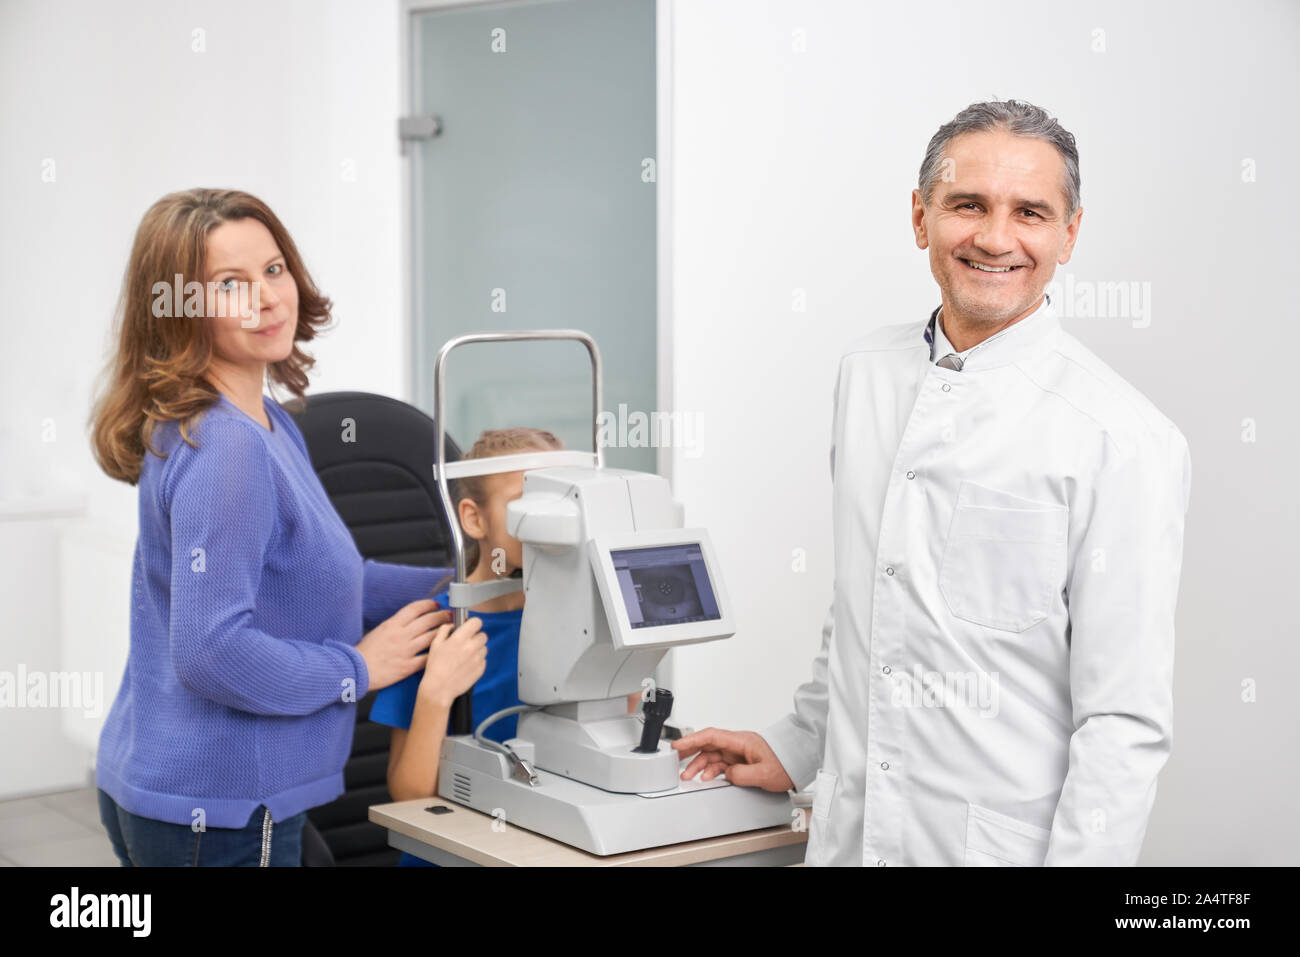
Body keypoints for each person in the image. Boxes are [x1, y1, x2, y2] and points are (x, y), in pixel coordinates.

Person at [673, 100, 1192, 867]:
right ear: (921, 217)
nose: (994, 237)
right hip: (850, 842)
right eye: (967, 205)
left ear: (1069, 234)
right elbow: (869, 602)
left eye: (1031, 212)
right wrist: (797, 744)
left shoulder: (1123, 437)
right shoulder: (866, 376)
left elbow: (1123, 723)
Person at [88, 188, 485, 866]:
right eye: (229, 284)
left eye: (273, 270)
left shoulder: (262, 422)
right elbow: (212, 649)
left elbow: (328, 581)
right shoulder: (226, 447)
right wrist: (359, 667)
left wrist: (465, 586)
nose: (268, 298)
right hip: (221, 807)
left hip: (180, 791)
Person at [369, 426, 563, 866]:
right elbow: (410, 796)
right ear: (474, 519)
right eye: (528, 499)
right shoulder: (438, 629)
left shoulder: (575, 624)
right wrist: (437, 692)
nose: (553, 518)